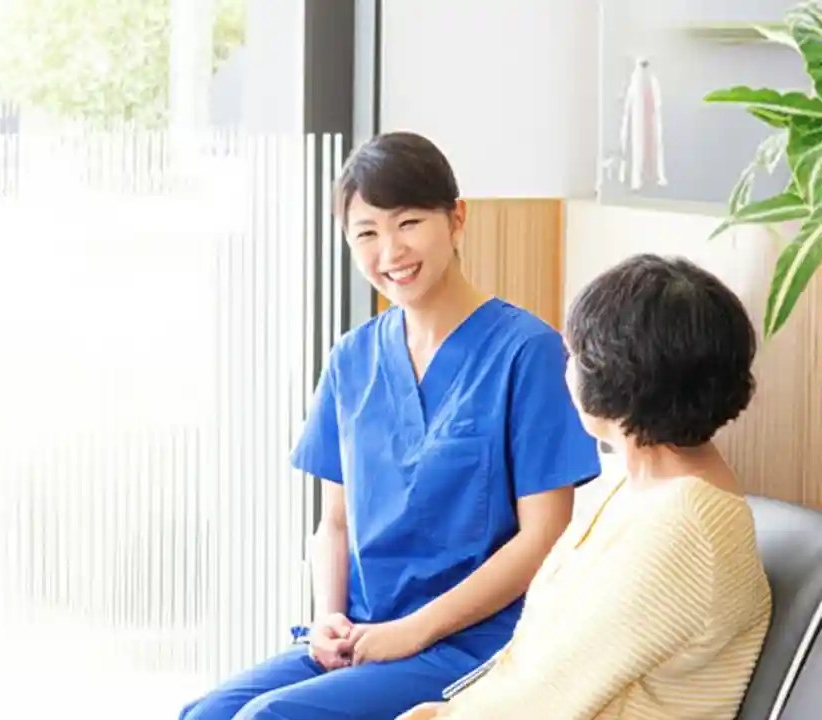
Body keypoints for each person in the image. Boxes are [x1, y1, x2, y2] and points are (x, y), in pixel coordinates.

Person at [179, 132, 601, 719]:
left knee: (268, 719)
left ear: (456, 219)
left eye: (408, 222)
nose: (390, 251)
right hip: (362, 634)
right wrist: (329, 617)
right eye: (367, 233)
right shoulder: (353, 359)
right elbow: (334, 523)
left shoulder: (526, 352)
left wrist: (413, 631)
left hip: (473, 643)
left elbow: (544, 536)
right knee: (203, 714)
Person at [400, 254, 773, 720]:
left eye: (575, 355)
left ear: (615, 377)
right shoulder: (637, 483)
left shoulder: (684, 529)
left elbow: (548, 698)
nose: (567, 368)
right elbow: (540, 662)